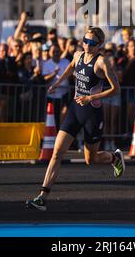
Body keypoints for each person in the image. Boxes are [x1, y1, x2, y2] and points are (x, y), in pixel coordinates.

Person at [26, 26, 124, 211]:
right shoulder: (78, 55)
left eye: (92, 43)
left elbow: (116, 89)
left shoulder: (102, 62)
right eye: (85, 41)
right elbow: (71, 67)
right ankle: (42, 196)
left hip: (92, 114)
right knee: (57, 152)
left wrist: (91, 97)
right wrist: (58, 82)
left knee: (90, 159)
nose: (87, 45)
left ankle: (114, 158)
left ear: (99, 45)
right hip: (74, 110)